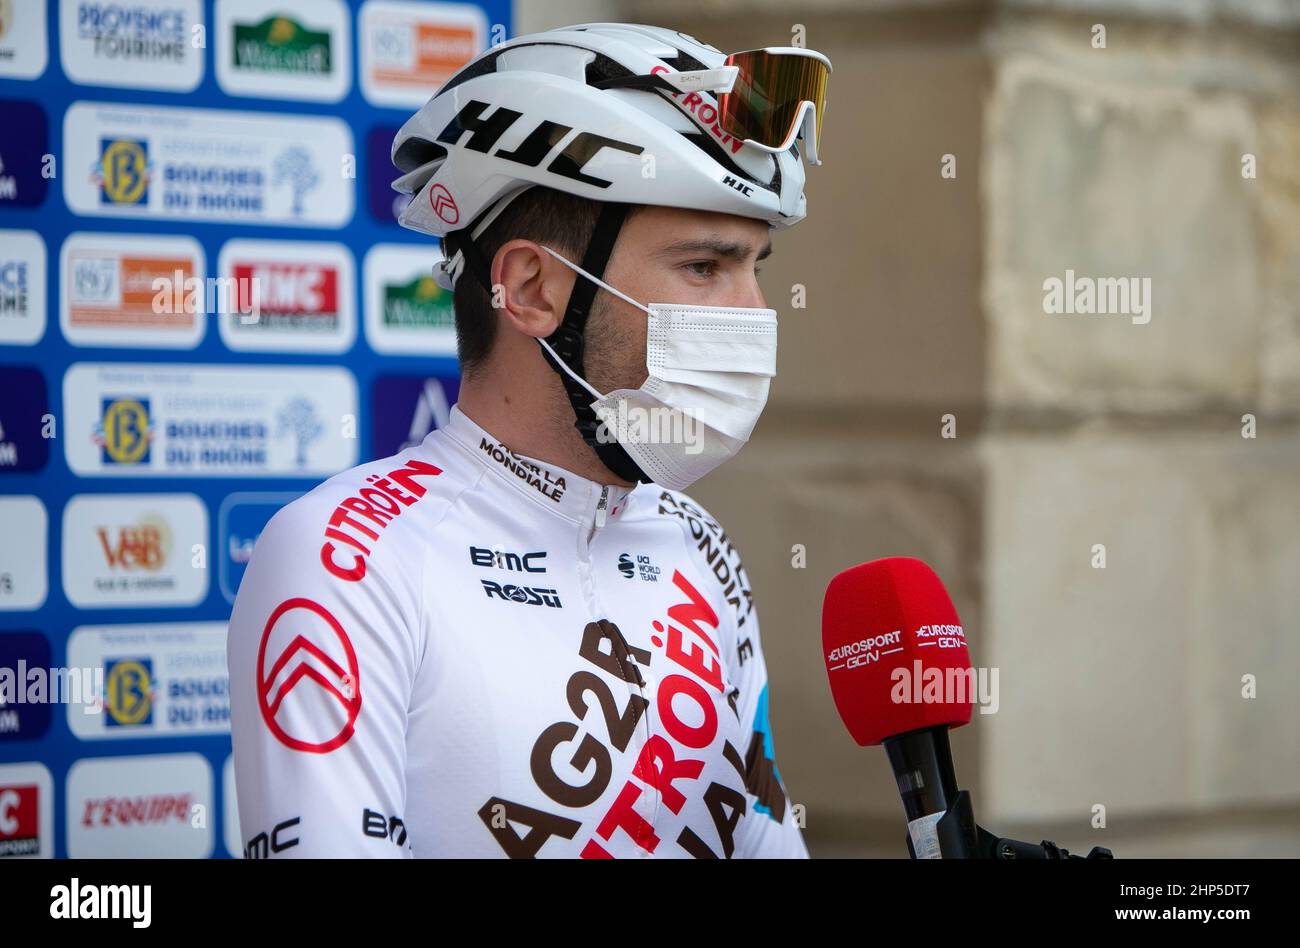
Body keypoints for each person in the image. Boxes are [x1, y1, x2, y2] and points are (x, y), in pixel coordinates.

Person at [228, 21, 831, 858]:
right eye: (705, 266)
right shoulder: (347, 562)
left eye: (756, 265)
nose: (756, 313)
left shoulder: (701, 548)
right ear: (531, 289)